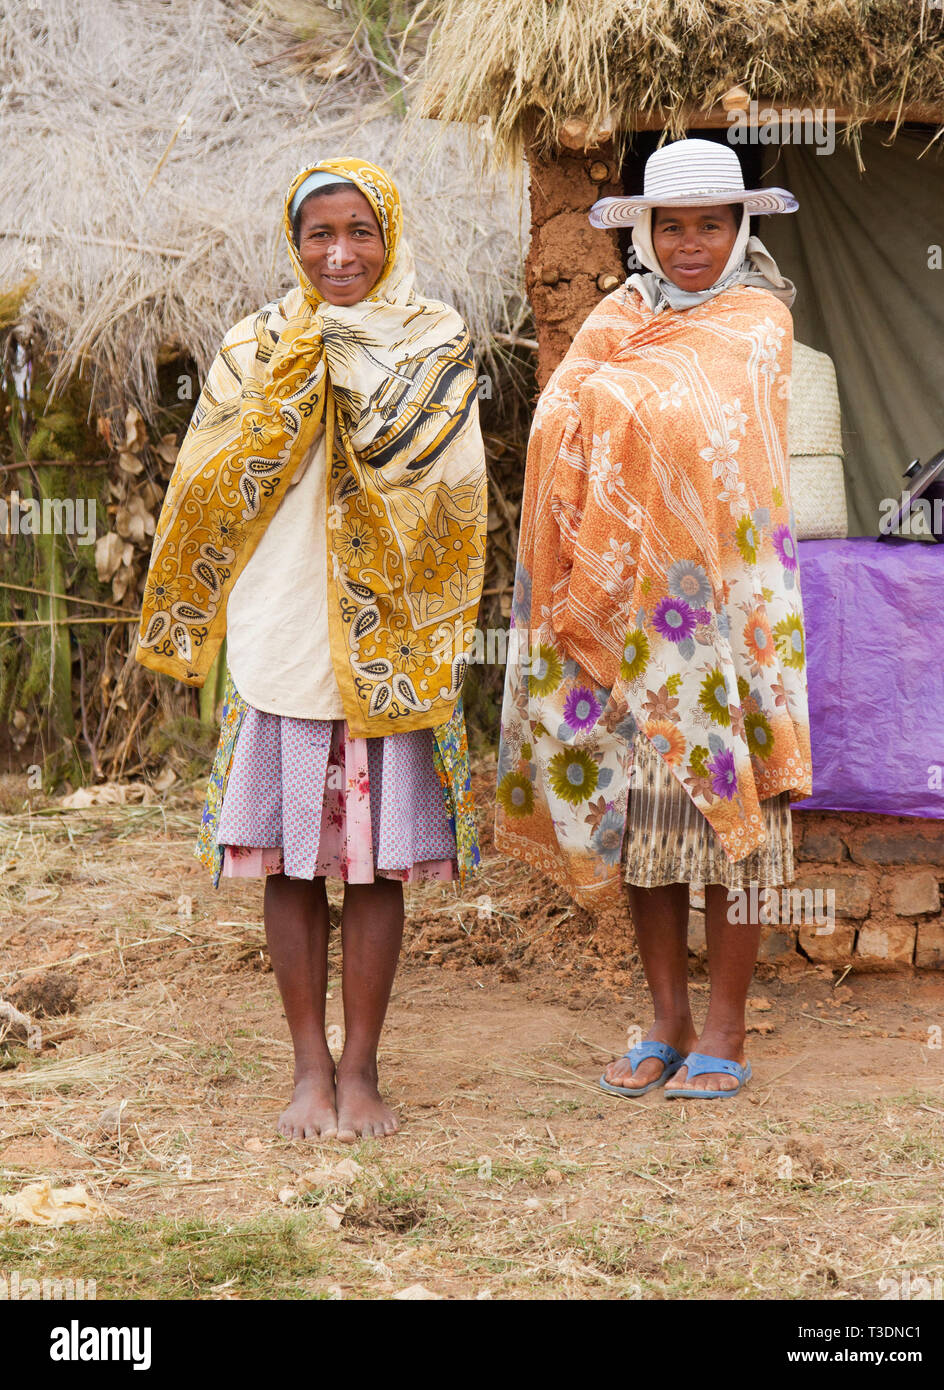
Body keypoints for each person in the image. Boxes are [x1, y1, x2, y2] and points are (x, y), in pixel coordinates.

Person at [137, 158, 486, 1139]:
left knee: (374, 870)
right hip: (286, 635)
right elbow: (211, 487)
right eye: (318, 235)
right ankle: (307, 1071)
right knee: (293, 865)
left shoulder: (436, 343)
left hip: (392, 646)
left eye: (360, 232)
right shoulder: (254, 348)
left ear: (391, 234)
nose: (340, 254)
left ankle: (364, 1070)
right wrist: (301, 381)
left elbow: (455, 498)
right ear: (293, 246)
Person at [495, 139, 811, 1099]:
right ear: (645, 233)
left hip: (725, 601)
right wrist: (608, 406)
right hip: (624, 604)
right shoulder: (615, 317)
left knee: (732, 818)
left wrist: (612, 404)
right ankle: (667, 1018)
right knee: (647, 822)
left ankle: (728, 1026)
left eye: (708, 225)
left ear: (739, 227)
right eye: (670, 227)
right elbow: (555, 423)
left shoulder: (759, 320)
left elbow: (698, 420)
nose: (688, 246)